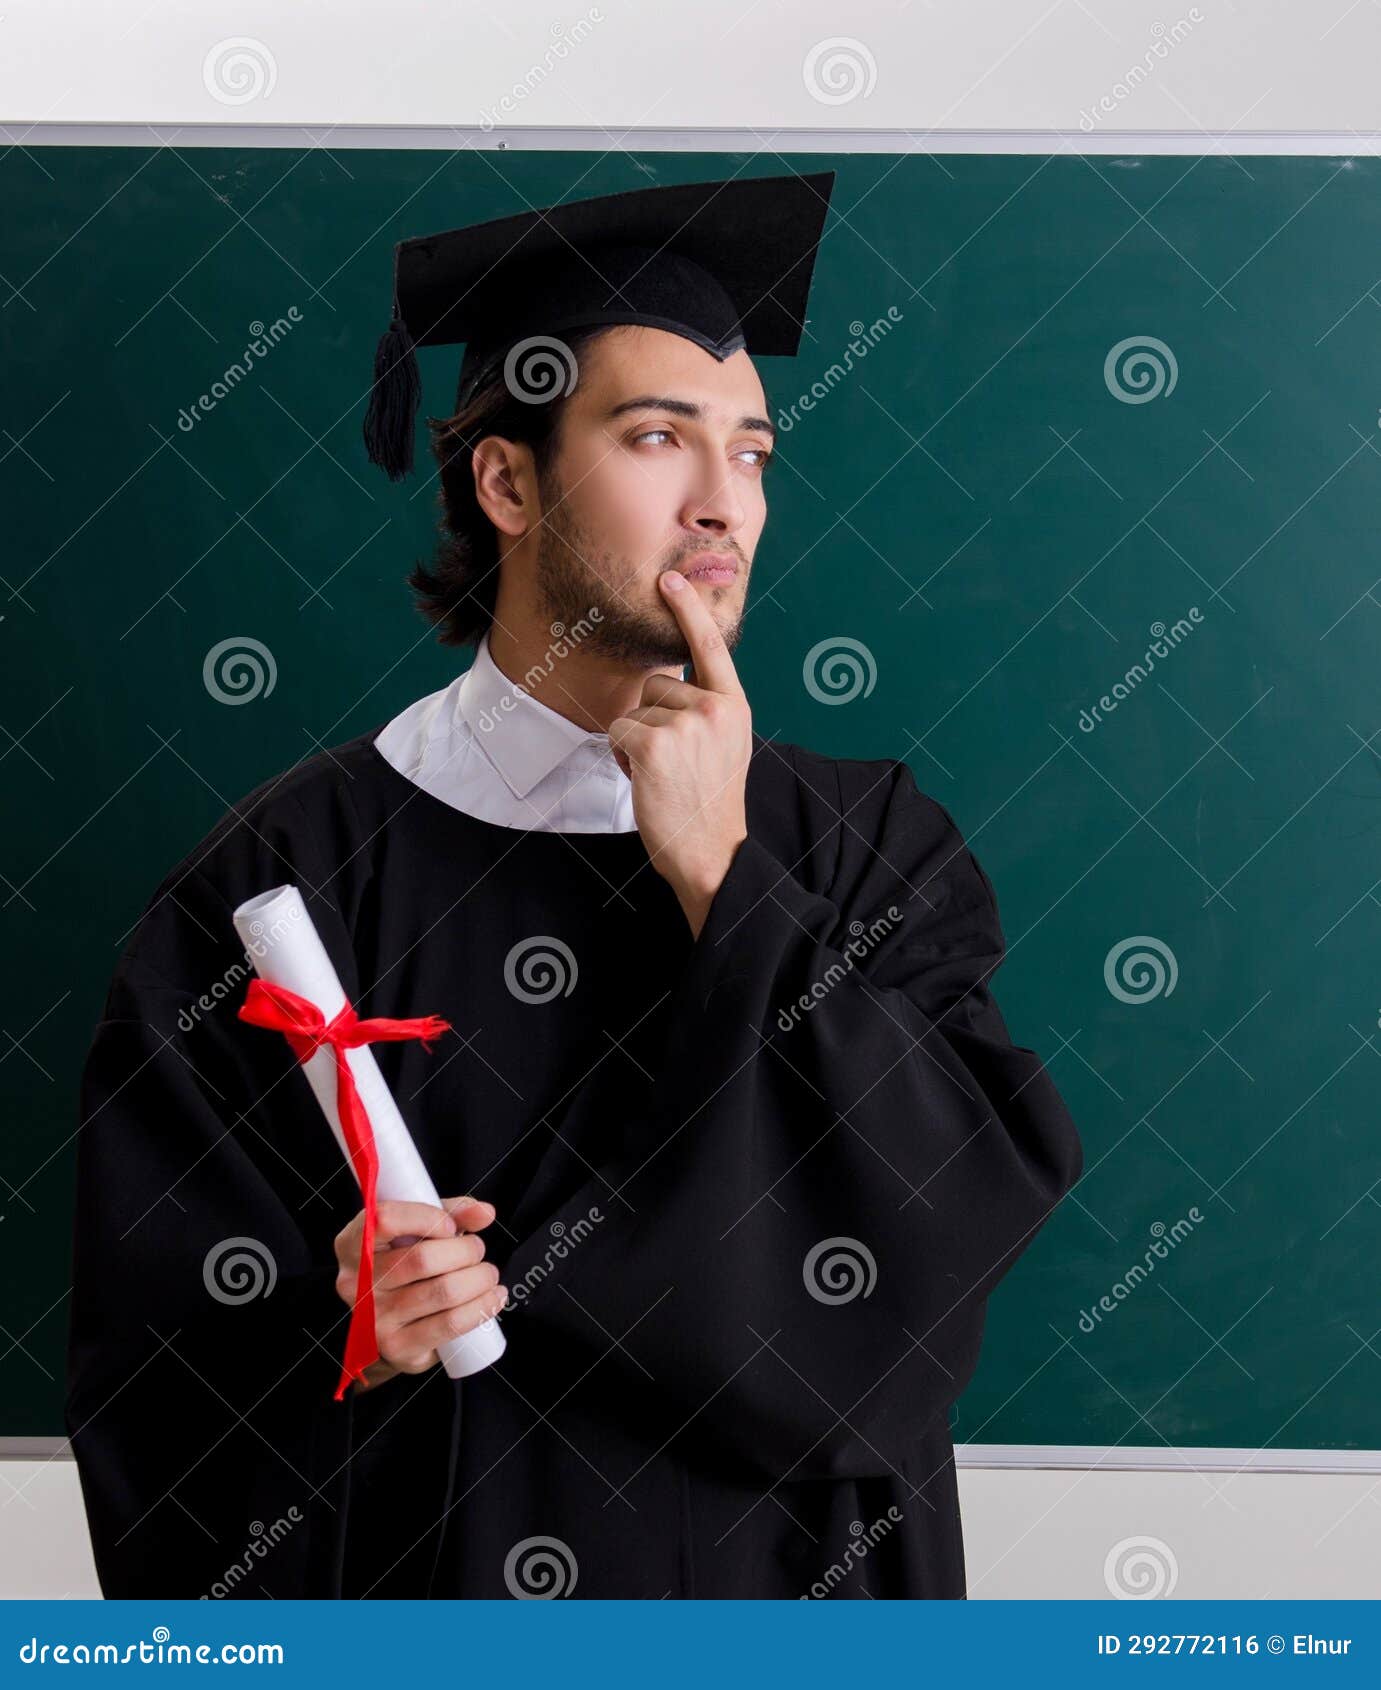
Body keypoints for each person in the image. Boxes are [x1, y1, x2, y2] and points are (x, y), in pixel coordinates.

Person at [65, 171, 1082, 1599]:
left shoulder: (865, 845)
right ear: (505, 479)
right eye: (657, 437)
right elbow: (156, 1355)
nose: (720, 501)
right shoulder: (280, 879)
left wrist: (726, 875)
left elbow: (935, 1243)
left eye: (753, 450)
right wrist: (338, 1320)